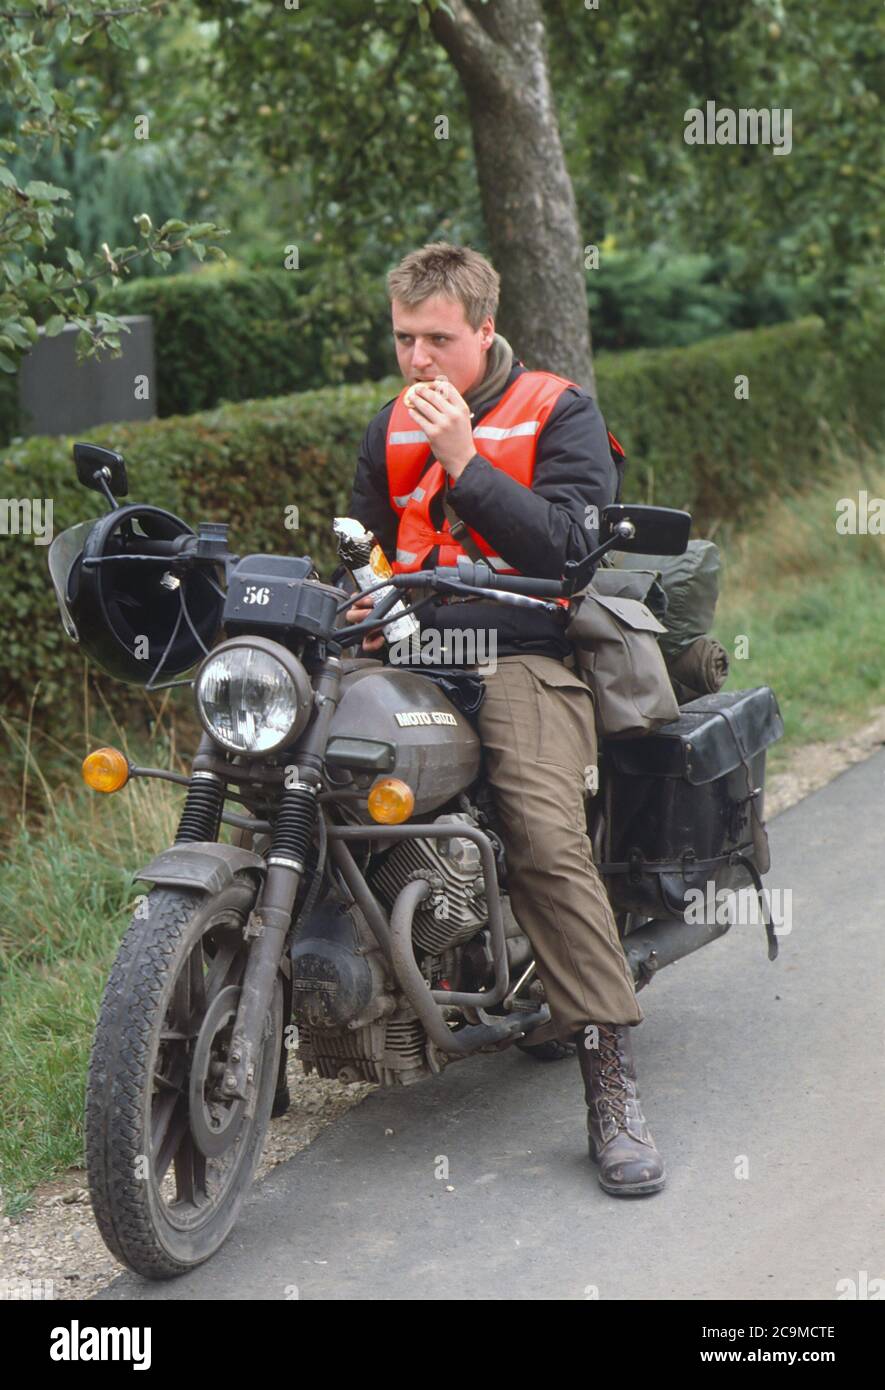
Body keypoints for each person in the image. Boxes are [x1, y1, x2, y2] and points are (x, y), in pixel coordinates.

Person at [344, 242, 665, 1197]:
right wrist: (353, 602)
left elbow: (571, 551)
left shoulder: (556, 410)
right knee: (289, 764)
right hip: (407, 654)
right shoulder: (384, 427)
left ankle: (607, 1076)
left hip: (524, 654)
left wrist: (463, 463)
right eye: (403, 338)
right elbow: (365, 547)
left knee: (539, 830)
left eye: (437, 339)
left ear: (484, 330)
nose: (417, 361)